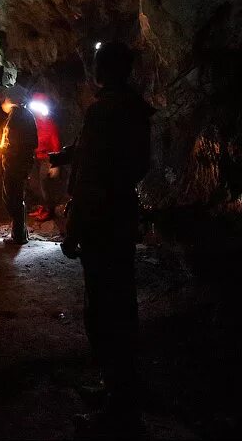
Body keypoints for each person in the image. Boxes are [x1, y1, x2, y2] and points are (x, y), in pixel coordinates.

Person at [52, 41, 152, 435]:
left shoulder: (103, 111)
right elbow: (124, 162)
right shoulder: (134, 108)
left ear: (102, 71)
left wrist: (75, 230)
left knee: (104, 311)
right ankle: (118, 390)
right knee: (121, 305)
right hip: (122, 214)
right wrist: (70, 155)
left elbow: (93, 176)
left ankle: (120, 409)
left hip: (101, 220)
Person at [0, 85, 38, 245]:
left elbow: (12, 143)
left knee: (12, 197)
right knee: (16, 196)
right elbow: (32, 141)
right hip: (23, 162)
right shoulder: (27, 115)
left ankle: (19, 236)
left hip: (15, 164)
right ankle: (20, 233)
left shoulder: (16, 116)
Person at [28, 95, 64, 222]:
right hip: (36, 158)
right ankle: (42, 207)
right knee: (34, 184)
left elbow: (55, 144)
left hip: (47, 159)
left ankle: (49, 211)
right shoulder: (34, 122)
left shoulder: (50, 124)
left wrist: (56, 164)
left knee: (45, 186)